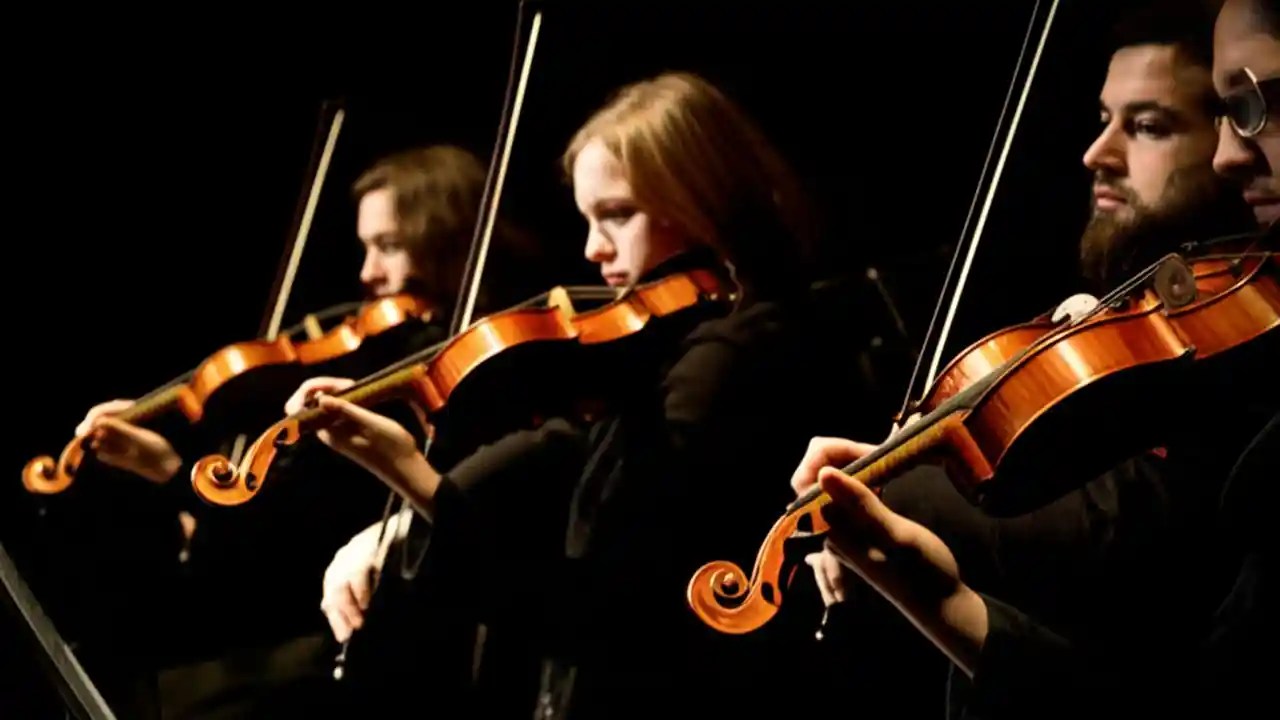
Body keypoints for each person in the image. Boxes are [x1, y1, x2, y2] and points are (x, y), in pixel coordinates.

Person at [290, 70, 853, 718]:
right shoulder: (661, 355)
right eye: (587, 219)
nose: (592, 249)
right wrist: (393, 522)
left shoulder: (735, 358)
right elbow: (556, 458)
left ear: (703, 200)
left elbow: (595, 601)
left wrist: (406, 469)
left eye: (616, 215)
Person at [794, 0, 1278, 717]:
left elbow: (1132, 532)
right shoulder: (1154, 319)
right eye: (1104, 119)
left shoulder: (1241, 369)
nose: (1096, 153)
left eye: (1149, 125)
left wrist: (896, 490)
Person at [46, 144, 524, 719]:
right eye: (366, 247)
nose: (367, 273)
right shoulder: (382, 357)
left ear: (449, 243)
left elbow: (274, 548)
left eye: (389, 246)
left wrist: (171, 473)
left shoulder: (449, 376)